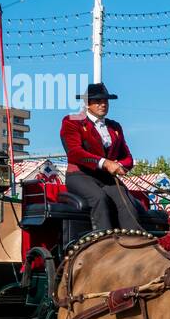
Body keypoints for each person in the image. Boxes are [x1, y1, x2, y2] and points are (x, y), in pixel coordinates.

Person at [60, 82, 141, 233]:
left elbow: (127, 157)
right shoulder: (72, 121)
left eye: (105, 101)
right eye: (98, 101)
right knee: (99, 199)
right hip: (80, 176)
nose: (103, 104)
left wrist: (120, 165)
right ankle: (104, 244)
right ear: (87, 104)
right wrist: (104, 163)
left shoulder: (114, 127)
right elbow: (74, 152)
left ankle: (133, 242)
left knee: (128, 202)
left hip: (107, 179)